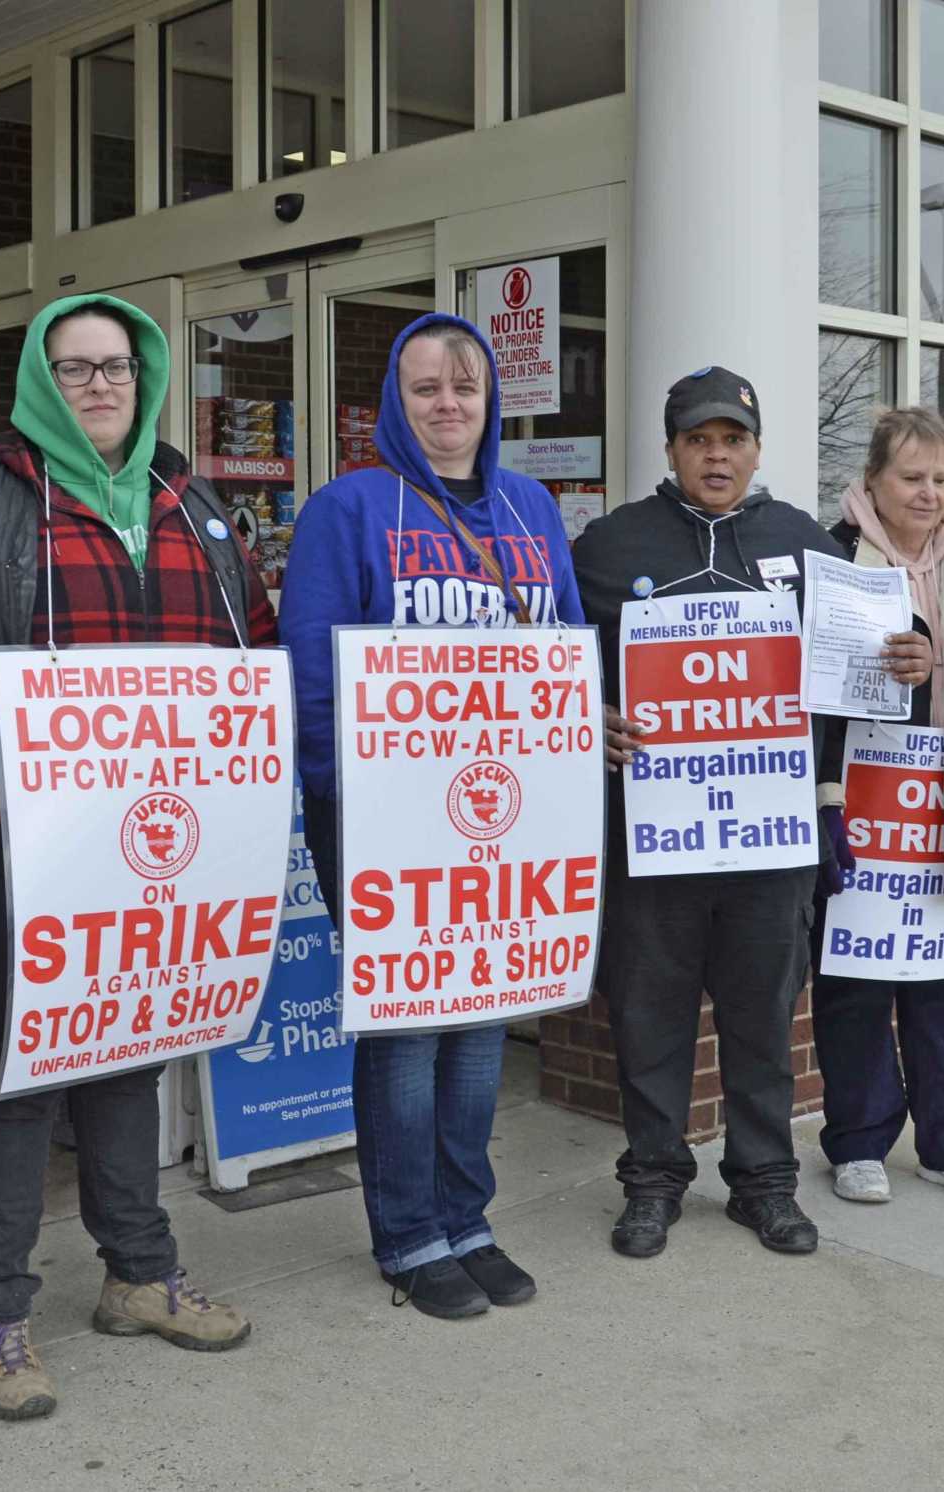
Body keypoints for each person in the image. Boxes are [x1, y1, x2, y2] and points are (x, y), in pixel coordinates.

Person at [0, 294, 274, 1420]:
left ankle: (138, 1275)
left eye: (116, 367)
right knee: (23, 1067)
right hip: (20, 841)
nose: (99, 385)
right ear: (41, 383)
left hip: (163, 847)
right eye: (75, 368)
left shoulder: (191, 504)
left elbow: (256, 645)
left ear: (143, 380)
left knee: (134, 1053)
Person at [280, 313, 583, 1319]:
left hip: (504, 820)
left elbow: (563, 646)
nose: (447, 405)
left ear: (491, 397)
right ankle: (408, 1233)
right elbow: (311, 671)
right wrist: (339, 799)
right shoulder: (348, 508)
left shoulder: (531, 508)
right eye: (424, 389)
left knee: (486, 1018)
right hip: (384, 823)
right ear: (393, 403)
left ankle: (468, 1217)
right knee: (409, 1028)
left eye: (464, 386)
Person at [570, 365, 844, 1259]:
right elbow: (556, 666)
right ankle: (652, 1180)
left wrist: (902, 661)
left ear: (757, 450)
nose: (716, 454)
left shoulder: (808, 545)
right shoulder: (610, 546)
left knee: (762, 1017)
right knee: (650, 1018)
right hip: (654, 838)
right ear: (672, 449)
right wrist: (587, 717)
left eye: (732, 439)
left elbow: (851, 682)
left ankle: (764, 1183)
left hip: (769, 839)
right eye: (699, 439)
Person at [811, 406, 944, 1208]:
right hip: (860, 807)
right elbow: (810, 691)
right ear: (871, 481)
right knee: (856, 989)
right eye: (912, 477)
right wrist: (826, 793)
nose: (929, 493)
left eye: (941, 478)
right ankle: (859, 1143)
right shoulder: (832, 561)